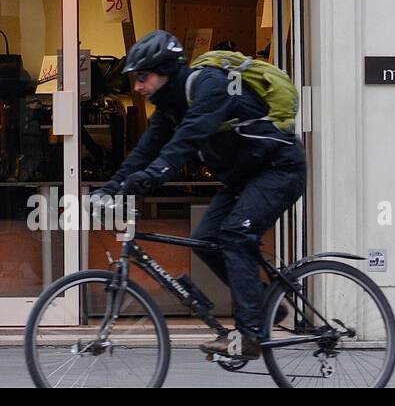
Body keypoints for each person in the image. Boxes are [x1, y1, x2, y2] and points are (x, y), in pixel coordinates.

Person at [92, 31, 305, 359]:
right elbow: (146, 150)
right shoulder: (169, 107)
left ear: (164, 72)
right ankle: (265, 306)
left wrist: (153, 176)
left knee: (235, 235)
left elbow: (189, 138)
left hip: (279, 169)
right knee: (207, 238)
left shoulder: (209, 85)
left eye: (142, 77)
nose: (137, 87)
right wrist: (110, 188)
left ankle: (250, 335)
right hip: (245, 177)